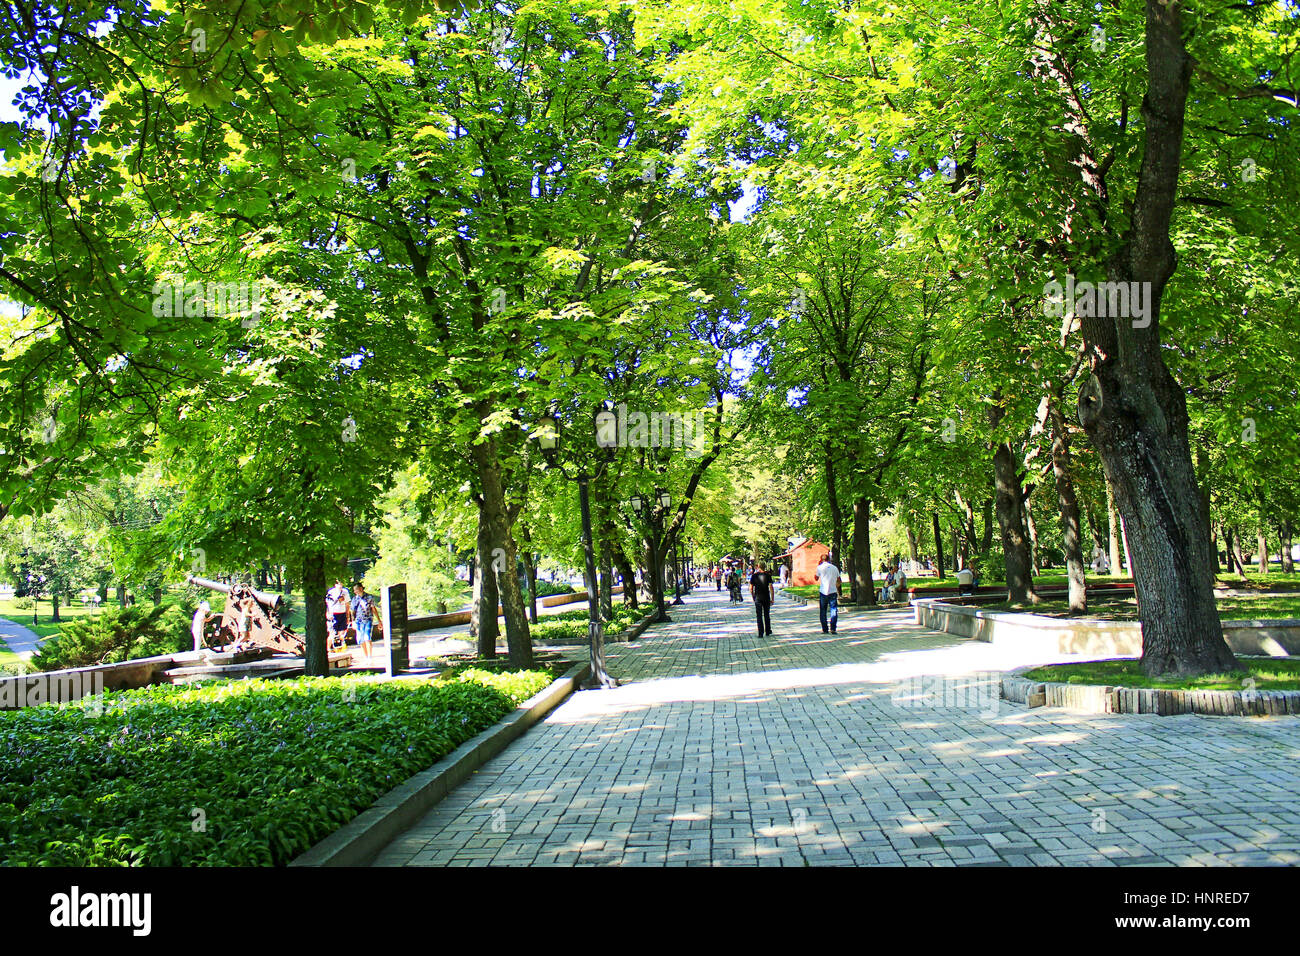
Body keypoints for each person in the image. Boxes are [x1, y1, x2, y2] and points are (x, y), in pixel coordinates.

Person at [352, 582, 379, 662]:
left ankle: (370, 657)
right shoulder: (355, 599)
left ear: (361, 588)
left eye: (356, 589)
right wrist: (353, 621)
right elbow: (352, 611)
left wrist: (379, 620)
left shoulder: (369, 597)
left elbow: (373, 609)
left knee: (367, 637)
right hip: (358, 621)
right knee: (360, 639)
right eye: (354, 590)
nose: (355, 591)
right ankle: (365, 656)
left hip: (368, 619)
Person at [815, 553, 840, 634]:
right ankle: (833, 628)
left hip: (823, 591)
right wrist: (836, 586)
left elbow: (816, 578)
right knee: (833, 610)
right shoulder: (834, 568)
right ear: (829, 559)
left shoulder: (820, 567)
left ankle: (825, 629)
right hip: (833, 591)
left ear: (821, 559)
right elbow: (839, 579)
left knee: (823, 611)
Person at [750, 561, 775, 637]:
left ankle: (760, 632)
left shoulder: (754, 576)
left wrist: (753, 597)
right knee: (767, 614)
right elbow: (771, 588)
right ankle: (768, 630)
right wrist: (772, 598)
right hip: (766, 597)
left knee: (759, 615)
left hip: (758, 597)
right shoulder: (768, 575)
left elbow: (751, 588)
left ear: (758, 566)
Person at [326, 579, 350, 651]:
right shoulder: (331, 592)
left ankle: (341, 647)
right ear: (335, 584)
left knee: (342, 633)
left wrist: (347, 616)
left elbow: (347, 604)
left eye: (341, 583)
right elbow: (327, 604)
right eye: (338, 584)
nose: (340, 585)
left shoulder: (345, 592)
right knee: (332, 633)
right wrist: (328, 613)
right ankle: (328, 648)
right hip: (333, 614)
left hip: (342, 613)